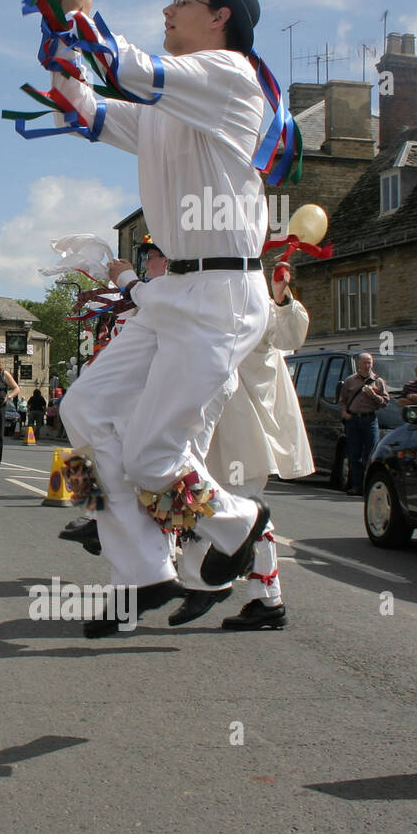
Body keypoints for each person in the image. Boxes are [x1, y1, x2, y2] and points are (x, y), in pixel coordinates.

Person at [45, 0, 279, 635]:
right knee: (82, 408)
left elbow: (127, 68)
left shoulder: (234, 77)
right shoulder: (162, 111)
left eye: (182, 0)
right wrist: (61, 34)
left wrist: (82, 13)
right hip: (172, 290)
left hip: (222, 294)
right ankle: (144, 573)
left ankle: (245, 526)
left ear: (221, 16)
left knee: (155, 455)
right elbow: (83, 105)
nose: (168, 11)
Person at [168, 264, 312, 630]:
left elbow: (291, 334)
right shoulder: (217, 307)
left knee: (240, 511)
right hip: (219, 432)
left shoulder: (255, 307)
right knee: (211, 506)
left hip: (246, 433)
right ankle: (232, 589)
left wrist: (280, 298)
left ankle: (255, 596)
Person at [338, 352, 388, 496]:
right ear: (358, 364)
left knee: (370, 454)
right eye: (365, 362)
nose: (367, 365)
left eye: (370, 362)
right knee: (354, 454)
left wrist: (374, 395)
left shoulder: (378, 381)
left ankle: (368, 486)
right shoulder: (350, 380)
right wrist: (344, 413)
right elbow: (343, 400)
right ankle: (356, 485)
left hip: (369, 420)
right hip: (353, 420)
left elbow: (385, 402)